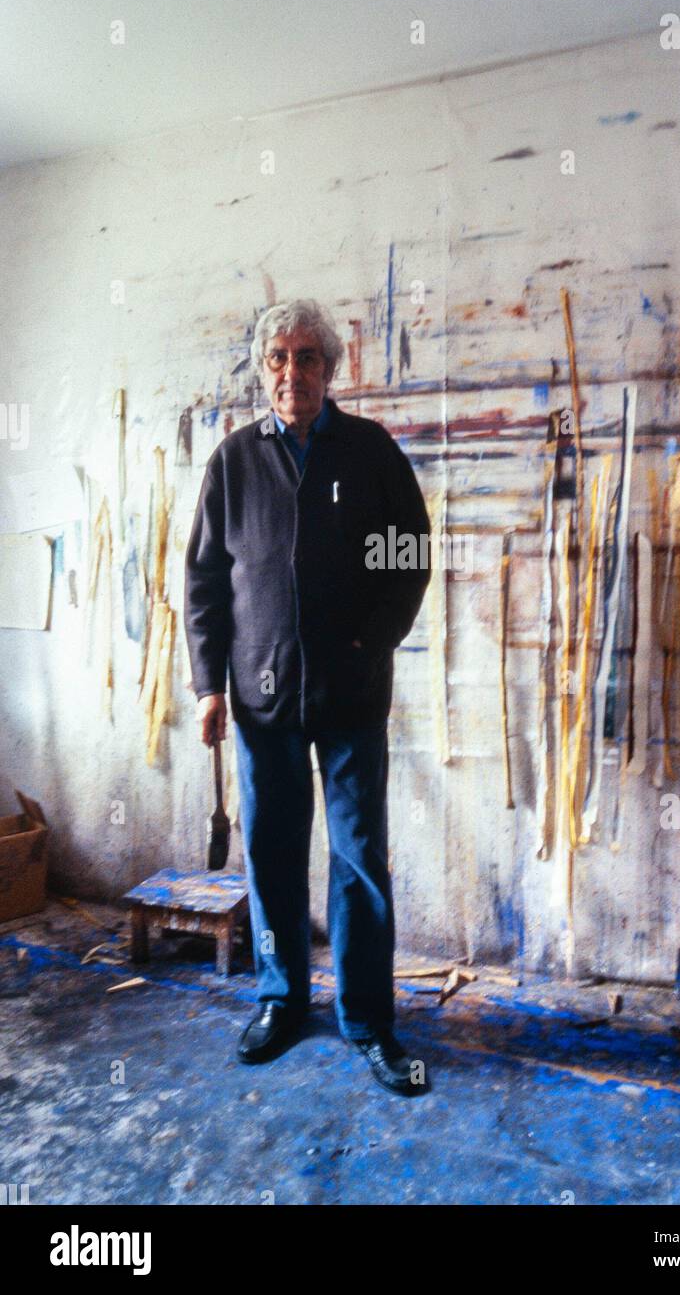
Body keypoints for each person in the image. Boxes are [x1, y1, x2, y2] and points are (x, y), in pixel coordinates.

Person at [184, 298, 431, 1096]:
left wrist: (374, 638)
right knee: (274, 852)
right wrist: (206, 686)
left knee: (359, 859)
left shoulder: (369, 450)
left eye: (308, 357)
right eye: (279, 359)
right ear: (266, 372)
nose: (293, 372)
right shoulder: (233, 462)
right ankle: (282, 1000)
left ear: (332, 367)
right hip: (260, 697)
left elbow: (410, 553)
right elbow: (204, 583)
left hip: (353, 693)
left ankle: (367, 1020)